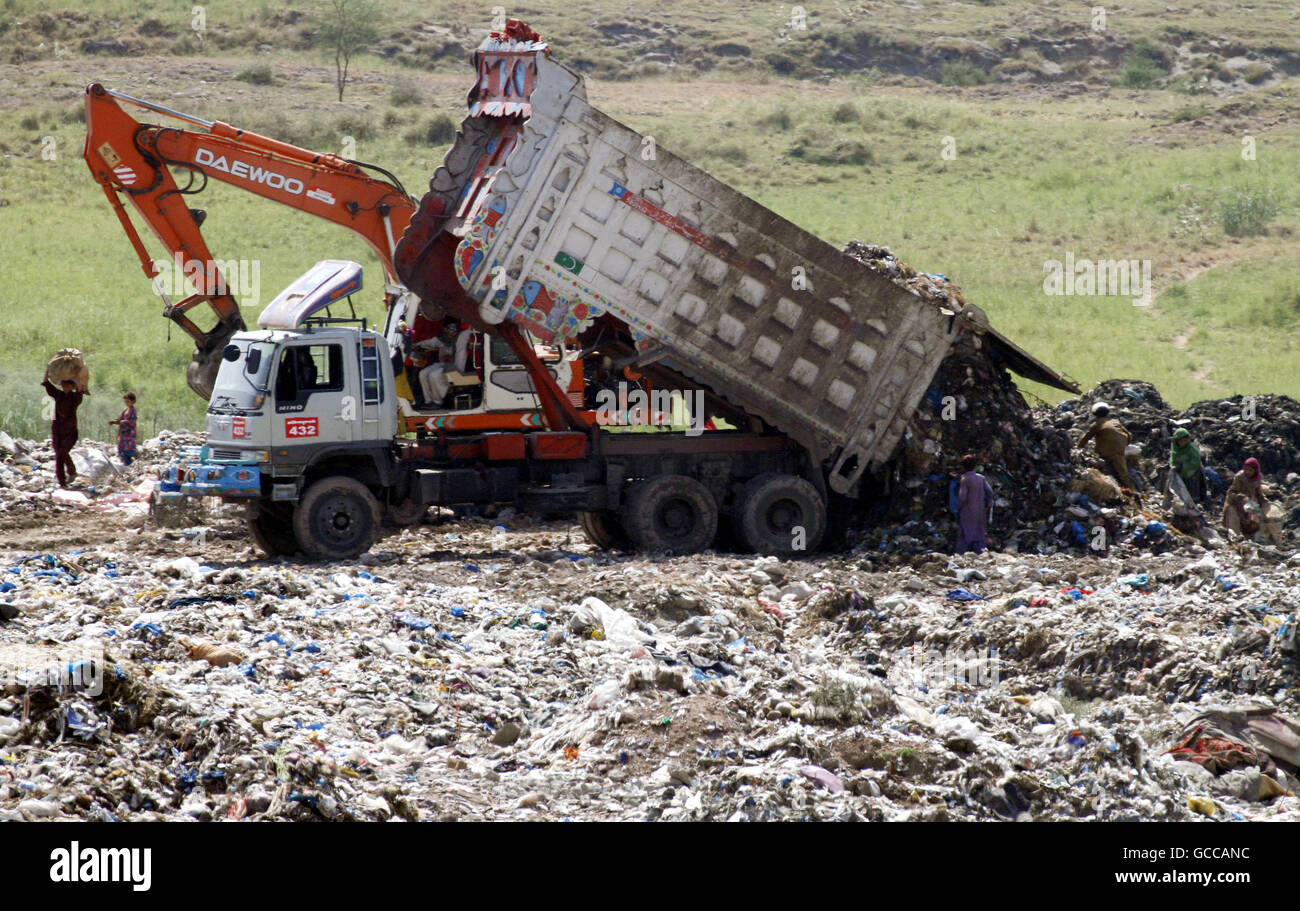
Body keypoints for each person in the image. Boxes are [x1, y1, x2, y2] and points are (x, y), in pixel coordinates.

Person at [41, 371, 84, 487]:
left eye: (68, 385)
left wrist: (80, 378)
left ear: (71, 386)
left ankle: (72, 472)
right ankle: (62, 481)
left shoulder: (75, 398)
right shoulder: (58, 394)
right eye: (64, 385)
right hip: (57, 430)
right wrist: (47, 371)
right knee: (58, 455)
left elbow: (81, 389)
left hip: (70, 431)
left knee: (63, 451)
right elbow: (46, 383)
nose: (65, 387)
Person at [416, 320, 472, 407]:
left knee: (434, 375)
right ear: (445, 329)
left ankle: (437, 402)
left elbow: (469, 330)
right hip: (443, 364)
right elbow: (428, 343)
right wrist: (416, 346)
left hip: (455, 366)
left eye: (456, 327)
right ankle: (428, 401)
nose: (455, 330)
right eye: (452, 328)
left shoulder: (461, 337)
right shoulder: (442, 339)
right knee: (422, 373)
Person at [1077, 401, 1133, 488]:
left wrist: (1077, 448)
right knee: (1123, 471)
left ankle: (1129, 489)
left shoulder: (1097, 425)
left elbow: (1085, 438)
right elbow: (1129, 435)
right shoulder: (1115, 422)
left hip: (1111, 451)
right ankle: (1128, 485)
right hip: (1121, 449)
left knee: (1121, 474)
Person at [956, 454, 994, 554]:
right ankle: (981, 555)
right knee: (979, 534)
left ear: (963, 466)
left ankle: (961, 556)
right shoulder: (981, 478)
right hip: (980, 511)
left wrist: (958, 509)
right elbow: (990, 493)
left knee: (964, 534)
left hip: (967, 512)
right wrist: (987, 506)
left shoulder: (965, 479)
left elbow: (962, 497)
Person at [1222, 457, 1268, 536]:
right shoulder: (1239, 477)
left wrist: (1264, 499)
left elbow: (1258, 491)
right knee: (1233, 518)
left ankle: (1250, 537)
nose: (1247, 472)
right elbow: (1231, 492)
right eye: (1246, 469)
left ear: (1255, 470)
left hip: (1249, 504)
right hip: (1235, 503)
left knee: (1255, 520)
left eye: (1250, 470)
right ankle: (1235, 538)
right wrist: (1240, 497)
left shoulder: (1257, 478)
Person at [1164, 427, 1205, 506]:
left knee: (1193, 490)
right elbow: (1173, 460)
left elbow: (1195, 462)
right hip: (1181, 472)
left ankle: (1194, 505)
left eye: (1185, 440)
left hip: (1193, 472)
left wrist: (1183, 466)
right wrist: (1174, 466)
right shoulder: (1175, 449)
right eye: (1181, 441)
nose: (1184, 442)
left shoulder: (1191, 448)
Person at [110, 392, 138, 466]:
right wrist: (115, 421)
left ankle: (129, 465)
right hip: (123, 434)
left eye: (128, 401)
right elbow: (120, 418)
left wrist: (121, 422)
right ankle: (123, 465)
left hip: (129, 435)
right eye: (125, 401)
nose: (126, 403)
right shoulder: (125, 409)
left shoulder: (133, 411)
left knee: (128, 451)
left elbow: (132, 422)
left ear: (132, 401)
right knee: (122, 450)